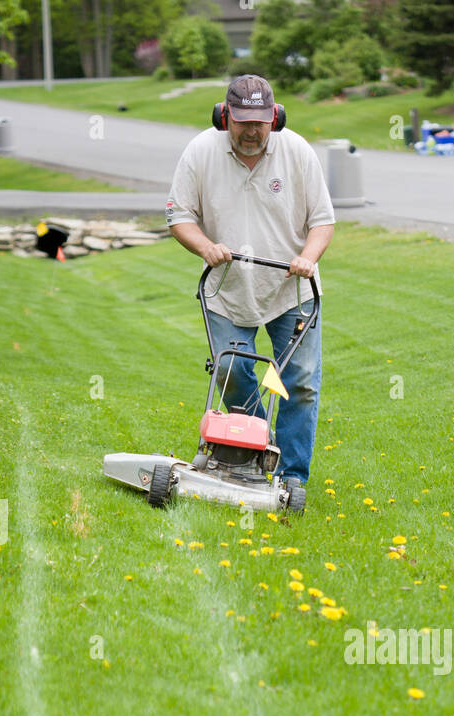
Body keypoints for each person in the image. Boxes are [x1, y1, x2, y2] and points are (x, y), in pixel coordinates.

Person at [166, 74, 335, 490]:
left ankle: (293, 478)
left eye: (260, 121)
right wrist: (206, 247)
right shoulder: (200, 152)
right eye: (243, 121)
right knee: (232, 371)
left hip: (290, 292)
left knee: (299, 383)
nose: (252, 131)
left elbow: (323, 221)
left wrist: (307, 259)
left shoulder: (297, 152)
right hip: (227, 289)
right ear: (225, 117)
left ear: (274, 117)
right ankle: (261, 445)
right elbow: (179, 217)